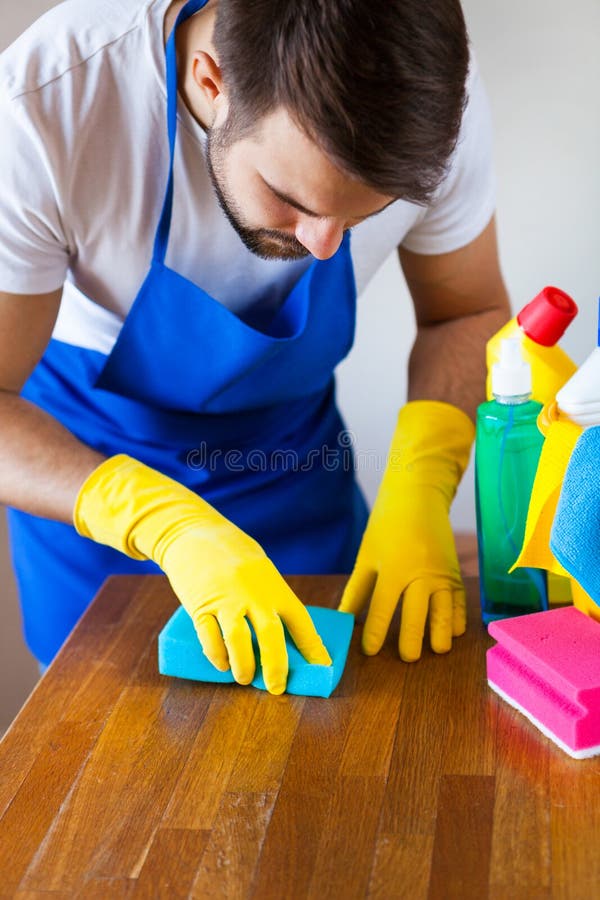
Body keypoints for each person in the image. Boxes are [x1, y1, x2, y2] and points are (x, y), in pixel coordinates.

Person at [0, 0, 510, 693]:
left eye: (364, 210)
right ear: (211, 84)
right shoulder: (49, 103)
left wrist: (423, 484)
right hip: (94, 484)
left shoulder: (432, 102)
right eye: (288, 197)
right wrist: (158, 519)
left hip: (296, 468)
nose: (322, 244)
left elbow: (467, 312)